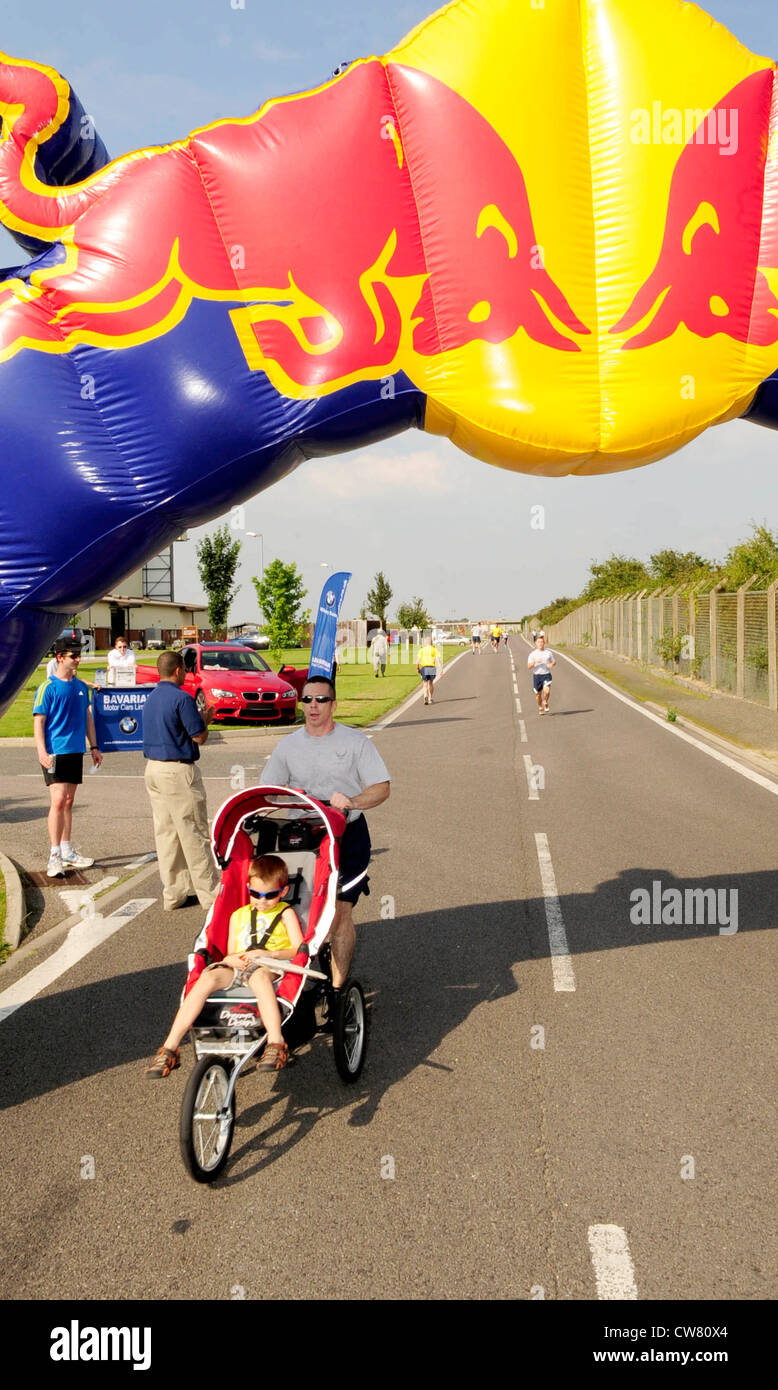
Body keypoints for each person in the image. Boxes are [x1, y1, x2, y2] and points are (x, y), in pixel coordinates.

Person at [259, 675, 390, 991]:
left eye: (320, 699)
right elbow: (265, 793)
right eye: (307, 700)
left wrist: (353, 801)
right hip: (301, 838)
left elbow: (382, 788)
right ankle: (295, 980)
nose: (313, 706)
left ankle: (338, 990)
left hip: (347, 834)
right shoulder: (288, 745)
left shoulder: (355, 742)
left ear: (334, 705)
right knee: (297, 908)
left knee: (339, 912)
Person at [145, 854, 303, 1077]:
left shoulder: (286, 913)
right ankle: (170, 1047)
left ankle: (276, 1042)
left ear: (283, 892)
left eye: (270, 895)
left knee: (258, 979)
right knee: (207, 978)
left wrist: (270, 954)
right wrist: (230, 960)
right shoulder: (238, 916)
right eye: (256, 894)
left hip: (270, 963)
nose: (262, 900)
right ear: (248, 888)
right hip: (238, 964)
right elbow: (230, 951)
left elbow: (298, 948)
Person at [142, 650, 220, 911]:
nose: (186, 673)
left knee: (166, 833)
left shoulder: (151, 698)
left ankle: (174, 892)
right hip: (177, 770)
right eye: (185, 669)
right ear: (178, 670)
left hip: (153, 769)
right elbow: (198, 736)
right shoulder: (182, 698)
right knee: (194, 832)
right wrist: (205, 720)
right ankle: (210, 895)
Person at [33, 638, 103, 877]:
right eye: (73, 655)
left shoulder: (80, 687)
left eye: (78, 655)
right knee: (58, 801)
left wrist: (94, 746)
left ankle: (67, 850)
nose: (77, 659)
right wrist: (42, 751)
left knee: (69, 801)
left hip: (75, 750)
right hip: (55, 751)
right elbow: (39, 721)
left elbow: (88, 717)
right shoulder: (48, 687)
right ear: (59, 657)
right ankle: (54, 856)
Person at [527, 634, 557, 714]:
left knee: (547, 691)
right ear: (536, 643)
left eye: (542, 642)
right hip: (537, 676)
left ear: (544, 643)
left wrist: (551, 664)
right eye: (538, 642)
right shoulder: (532, 654)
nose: (540, 643)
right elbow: (529, 666)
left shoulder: (548, 653)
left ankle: (545, 702)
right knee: (538, 695)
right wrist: (535, 662)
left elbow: (554, 661)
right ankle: (540, 707)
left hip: (546, 674)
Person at [417, 636, 440, 704]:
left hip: (424, 667)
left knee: (425, 683)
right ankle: (430, 698)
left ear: (425, 642)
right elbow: (438, 660)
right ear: (431, 642)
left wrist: (417, 668)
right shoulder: (434, 649)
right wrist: (441, 668)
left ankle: (425, 696)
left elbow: (417, 661)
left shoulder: (422, 650)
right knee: (431, 683)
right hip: (432, 667)